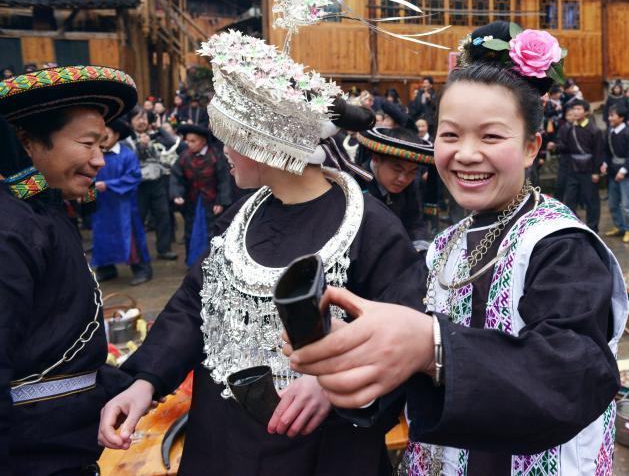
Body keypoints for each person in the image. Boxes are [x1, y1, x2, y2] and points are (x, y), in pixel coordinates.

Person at [285, 20, 627, 475]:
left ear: (531, 147)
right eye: (450, 135)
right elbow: (393, 340)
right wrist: (346, 360)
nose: (466, 153)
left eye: (491, 136)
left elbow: (573, 373)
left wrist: (434, 347)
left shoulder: (560, 245)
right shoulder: (442, 249)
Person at [99, 31, 424, 475]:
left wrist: (332, 383)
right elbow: (194, 304)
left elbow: (403, 337)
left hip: (318, 447)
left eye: (231, 138)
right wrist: (145, 380)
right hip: (221, 440)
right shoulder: (239, 217)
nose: (224, 152)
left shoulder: (372, 229)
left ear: (264, 141)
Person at [1, 65, 138, 474]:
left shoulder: (45, 213)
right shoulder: (12, 231)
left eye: (102, 145)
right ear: (27, 142)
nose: (99, 160)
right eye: (87, 144)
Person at [90, 118, 154, 285]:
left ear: (117, 135)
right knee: (102, 237)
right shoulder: (95, 154)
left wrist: (108, 185)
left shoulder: (127, 155)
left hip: (123, 205)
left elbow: (134, 177)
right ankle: (106, 269)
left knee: (131, 237)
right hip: (102, 206)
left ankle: (142, 270)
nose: (103, 139)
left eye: (107, 135)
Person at [356, 126, 435, 250]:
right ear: (376, 159)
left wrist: (419, 248)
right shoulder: (355, 185)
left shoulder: (412, 183)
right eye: (397, 169)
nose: (403, 179)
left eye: (412, 171)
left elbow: (415, 222)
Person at [170, 123, 233, 260]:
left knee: (211, 231)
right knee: (190, 230)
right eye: (187, 141)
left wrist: (221, 201)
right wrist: (177, 193)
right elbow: (176, 176)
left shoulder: (215, 156)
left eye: (193, 141)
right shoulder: (184, 156)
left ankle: (210, 261)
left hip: (211, 202)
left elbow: (224, 180)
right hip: (192, 201)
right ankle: (192, 261)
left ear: (203, 141)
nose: (189, 144)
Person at [128, 105, 178, 261]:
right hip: (139, 185)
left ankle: (164, 249)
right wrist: (141, 146)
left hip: (157, 182)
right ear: (130, 121)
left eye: (144, 118)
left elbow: (171, 141)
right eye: (138, 118)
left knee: (163, 216)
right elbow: (130, 159)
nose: (142, 122)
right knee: (138, 219)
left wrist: (158, 127)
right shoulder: (127, 139)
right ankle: (137, 253)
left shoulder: (154, 135)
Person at [555, 98, 603, 232]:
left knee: (591, 201)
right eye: (573, 109)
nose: (575, 112)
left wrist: (596, 172)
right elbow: (567, 147)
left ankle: (593, 228)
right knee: (570, 200)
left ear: (586, 112)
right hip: (573, 169)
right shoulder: (571, 128)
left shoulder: (594, 130)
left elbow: (598, 153)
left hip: (589, 169)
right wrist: (556, 146)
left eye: (578, 109)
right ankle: (576, 226)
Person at [602, 103, 629, 244]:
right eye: (609, 115)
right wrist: (605, 164)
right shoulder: (610, 131)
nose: (609, 118)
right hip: (613, 171)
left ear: (621, 117)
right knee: (612, 203)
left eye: (612, 115)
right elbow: (606, 152)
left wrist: (623, 171)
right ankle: (619, 226)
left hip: (627, 172)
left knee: (627, 204)